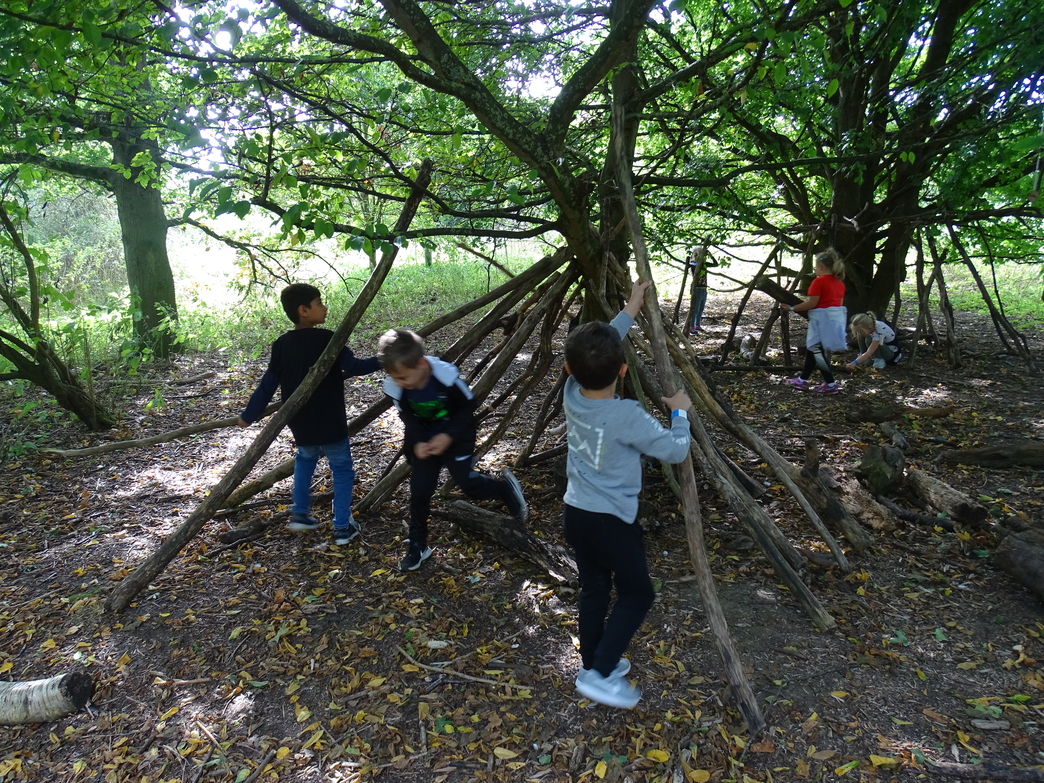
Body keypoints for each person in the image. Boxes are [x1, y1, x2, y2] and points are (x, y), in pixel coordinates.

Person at [563, 280, 693, 709]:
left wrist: (631, 308)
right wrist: (678, 412)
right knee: (638, 593)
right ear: (623, 371)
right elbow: (675, 451)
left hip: (577, 513)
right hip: (613, 522)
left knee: (595, 588)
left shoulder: (570, 395)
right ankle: (599, 675)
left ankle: (592, 662)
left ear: (568, 370)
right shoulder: (626, 414)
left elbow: (598, 350)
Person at [238, 283, 381, 545]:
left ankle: (301, 513)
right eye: (319, 303)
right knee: (341, 469)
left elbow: (269, 383)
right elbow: (355, 367)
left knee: (305, 459)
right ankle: (341, 527)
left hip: (299, 419)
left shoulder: (281, 344)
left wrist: (249, 414)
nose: (324, 307)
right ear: (304, 310)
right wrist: (385, 358)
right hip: (330, 418)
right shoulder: (329, 339)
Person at [377, 329, 527, 572]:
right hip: (425, 440)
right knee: (420, 491)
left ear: (422, 364)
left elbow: (467, 406)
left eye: (404, 377)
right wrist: (417, 442)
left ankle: (503, 488)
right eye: (396, 379)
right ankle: (417, 545)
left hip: (457, 435)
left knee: (469, 485)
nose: (400, 383)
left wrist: (447, 436)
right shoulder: (397, 385)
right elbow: (408, 416)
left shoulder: (445, 377)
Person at [781, 248, 848, 395]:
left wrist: (792, 308)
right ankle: (803, 379)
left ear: (821, 267)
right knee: (814, 348)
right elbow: (838, 303)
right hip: (835, 318)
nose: (815, 270)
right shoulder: (840, 283)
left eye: (816, 267)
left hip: (821, 319)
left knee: (815, 349)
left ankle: (830, 383)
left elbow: (811, 303)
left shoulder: (818, 282)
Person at [687, 246, 716, 335]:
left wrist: (710, 255)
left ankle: (697, 325)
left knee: (701, 308)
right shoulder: (693, 264)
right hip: (697, 289)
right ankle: (691, 327)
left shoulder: (704, 264)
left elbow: (715, 264)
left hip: (704, 288)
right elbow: (691, 266)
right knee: (695, 309)